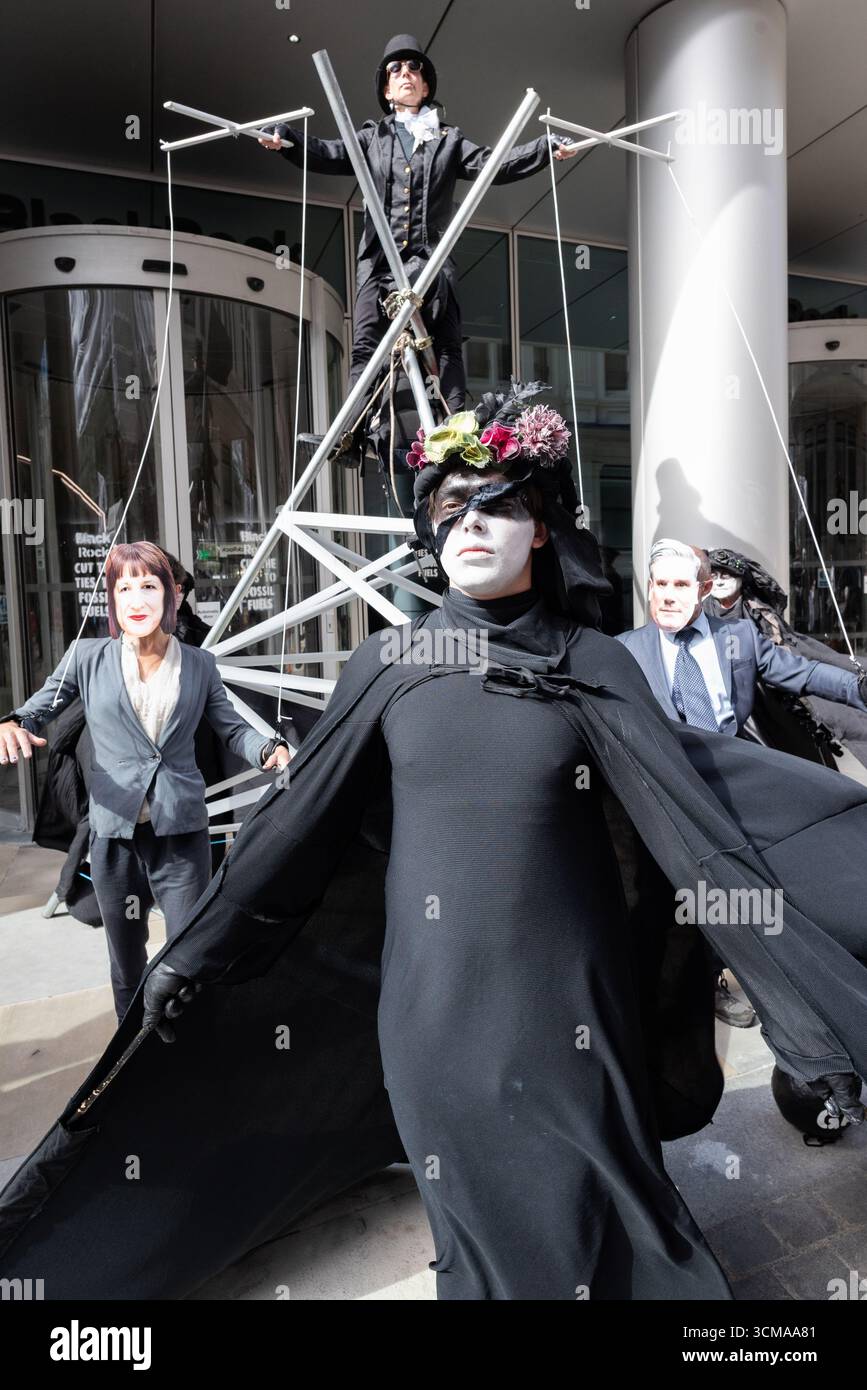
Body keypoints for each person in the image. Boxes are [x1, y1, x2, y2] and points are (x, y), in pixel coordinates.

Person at [2, 390, 866, 1302]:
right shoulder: (386, 665)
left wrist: (808, 1024)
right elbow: (294, 827)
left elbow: (700, 844)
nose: (470, 522)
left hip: (573, 1004)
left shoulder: (594, 662)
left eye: (498, 503)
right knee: (485, 1235)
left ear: (542, 530)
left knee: (612, 1215)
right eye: (450, 507)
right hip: (434, 1013)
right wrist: (195, 955)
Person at [0, 541, 291, 1022]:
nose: (136, 598)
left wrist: (267, 749)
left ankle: (183, 1054)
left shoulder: (199, 664)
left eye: (149, 586)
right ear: (113, 599)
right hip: (116, 833)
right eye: (124, 587)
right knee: (127, 960)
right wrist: (13, 722)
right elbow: (39, 708)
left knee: (188, 955)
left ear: (171, 596)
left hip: (180, 833)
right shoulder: (87, 657)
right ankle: (129, 1057)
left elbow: (231, 728)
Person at [616, 537, 867, 1030]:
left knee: (760, 881)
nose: (666, 595)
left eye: (680, 585)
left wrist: (858, 687)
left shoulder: (739, 639)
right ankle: (704, 983)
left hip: (735, 783)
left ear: (705, 588)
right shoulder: (626, 650)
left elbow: (804, 674)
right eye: (659, 584)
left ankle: (781, 980)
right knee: (686, 893)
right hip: (672, 792)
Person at [260, 34, 577, 413]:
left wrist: (544, 147)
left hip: (431, 261)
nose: (406, 73)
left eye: (415, 68)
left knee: (446, 345)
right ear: (387, 89)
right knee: (366, 344)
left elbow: (495, 164)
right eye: (396, 69)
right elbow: (328, 152)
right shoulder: (371, 139)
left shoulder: (449, 140)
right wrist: (288, 138)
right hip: (379, 263)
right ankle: (353, 428)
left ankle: (459, 429)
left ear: (425, 86)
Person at [705, 546, 867, 776]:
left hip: (770, 695)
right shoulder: (700, 613)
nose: (720, 582)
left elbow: (789, 662)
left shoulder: (759, 614)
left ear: (741, 578)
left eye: (727, 575)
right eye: (714, 576)